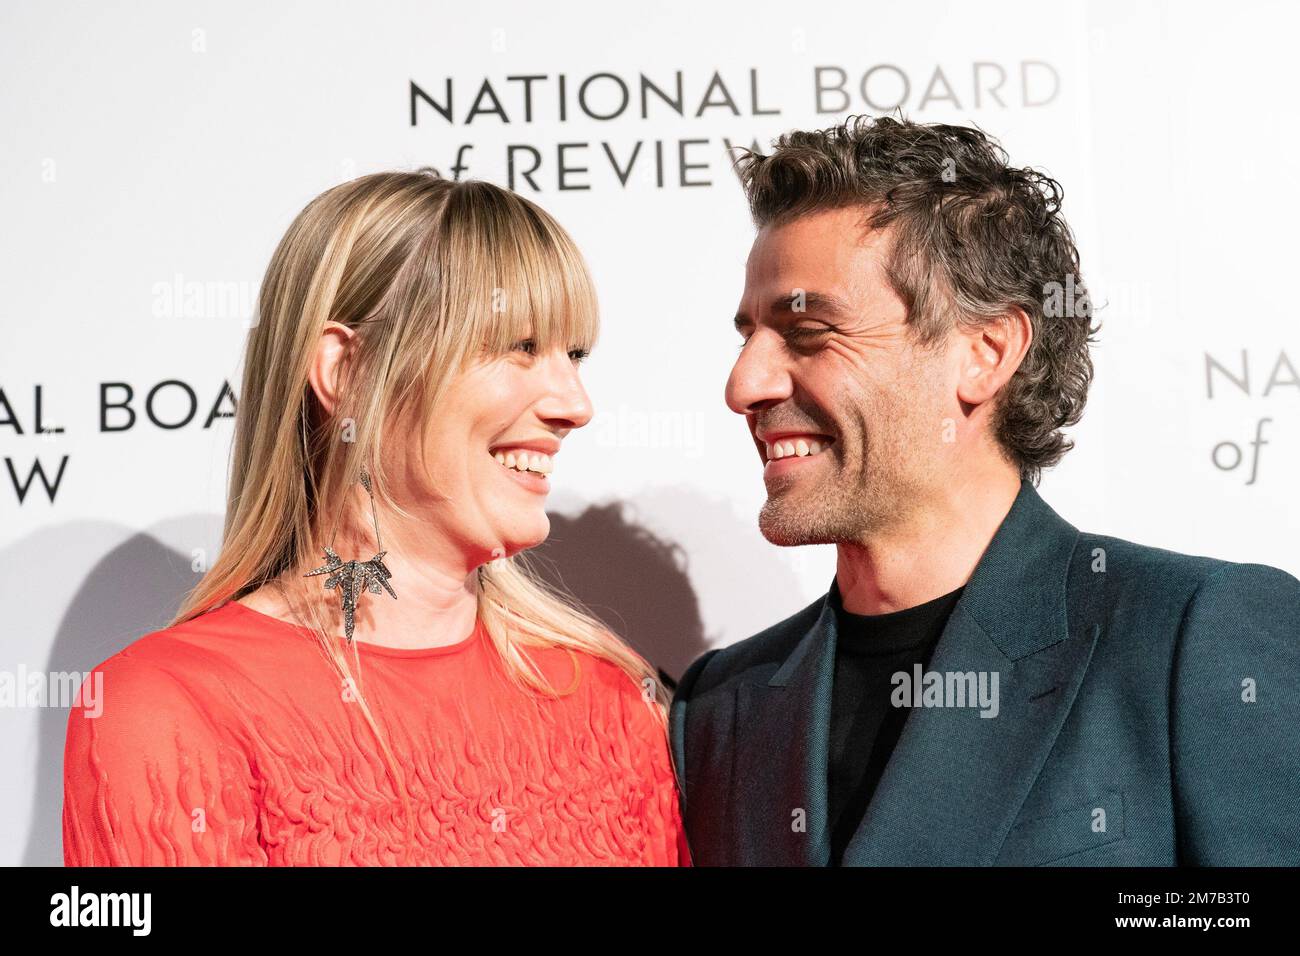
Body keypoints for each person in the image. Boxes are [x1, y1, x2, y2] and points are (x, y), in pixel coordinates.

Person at [670, 115, 1300, 866]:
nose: (745, 384)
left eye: (807, 333)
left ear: (985, 353)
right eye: (747, 337)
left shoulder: (1188, 640)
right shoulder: (719, 705)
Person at [63, 170, 689, 866]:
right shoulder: (170, 708)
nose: (575, 403)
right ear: (347, 370)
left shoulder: (611, 695)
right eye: (518, 347)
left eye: (572, 355)